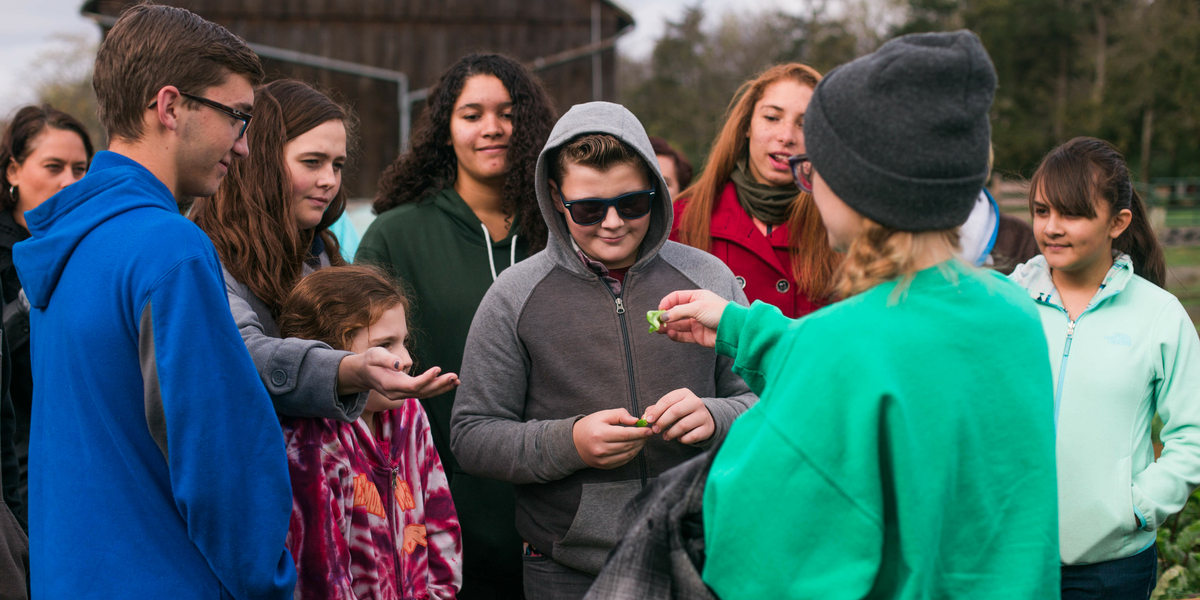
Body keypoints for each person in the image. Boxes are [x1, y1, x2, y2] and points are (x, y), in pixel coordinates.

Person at [656, 31, 1059, 598]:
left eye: (814, 168)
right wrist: (742, 326)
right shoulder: (1013, 310)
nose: (809, 185)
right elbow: (904, 368)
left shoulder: (840, 347)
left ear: (857, 185)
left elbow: (755, 557)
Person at [11, 4, 296, 597]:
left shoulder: (70, 240)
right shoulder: (168, 248)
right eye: (237, 117)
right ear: (169, 107)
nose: (244, 145)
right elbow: (220, 461)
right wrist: (271, 583)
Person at [450, 102, 757, 599]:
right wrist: (570, 442)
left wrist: (716, 416)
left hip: (701, 552)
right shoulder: (513, 295)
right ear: (556, 197)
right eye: (590, 209)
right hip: (566, 568)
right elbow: (472, 435)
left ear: (655, 190)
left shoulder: (709, 277)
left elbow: (767, 401)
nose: (613, 223)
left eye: (632, 203)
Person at [357, 53, 556, 598]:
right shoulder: (395, 235)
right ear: (446, 129)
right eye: (472, 115)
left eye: (508, 113)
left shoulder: (566, 227)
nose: (492, 128)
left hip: (560, 506)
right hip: (441, 510)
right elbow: (364, 373)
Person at [191, 79, 457, 425]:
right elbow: (243, 352)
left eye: (337, 165)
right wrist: (349, 371)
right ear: (260, 162)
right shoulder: (205, 254)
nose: (329, 179)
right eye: (313, 162)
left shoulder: (322, 253)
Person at [1010, 137, 1198, 599]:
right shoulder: (1005, 305)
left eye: (1072, 214)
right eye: (1041, 211)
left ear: (1118, 222)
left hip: (1113, 570)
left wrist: (1137, 507)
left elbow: (1193, 432)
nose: (1052, 227)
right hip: (1011, 557)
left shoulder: (1159, 315)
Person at [277, 264, 462, 599]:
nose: (406, 358)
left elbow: (440, 521)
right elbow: (323, 575)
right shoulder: (314, 442)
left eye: (404, 342)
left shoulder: (409, 415)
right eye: (386, 345)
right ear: (331, 357)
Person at [670, 63, 840, 319]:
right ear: (747, 125)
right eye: (772, 118)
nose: (786, 136)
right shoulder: (684, 219)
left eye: (805, 124)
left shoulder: (842, 226)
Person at [0, 105, 93, 525]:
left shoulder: (86, 249)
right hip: (16, 479)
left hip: (76, 469)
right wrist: (27, 303)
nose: (68, 181)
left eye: (80, 169)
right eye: (53, 166)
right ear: (14, 171)